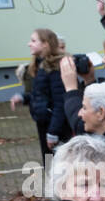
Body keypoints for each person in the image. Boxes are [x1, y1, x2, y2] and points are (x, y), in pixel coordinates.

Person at [18, 28, 68, 156]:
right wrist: (23, 98)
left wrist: (53, 132)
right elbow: (41, 95)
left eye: (33, 41)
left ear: (45, 44)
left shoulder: (55, 68)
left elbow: (60, 102)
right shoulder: (41, 66)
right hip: (44, 124)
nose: (29, 44)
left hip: (55, 126)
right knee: (49, 165)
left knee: (58, 167)